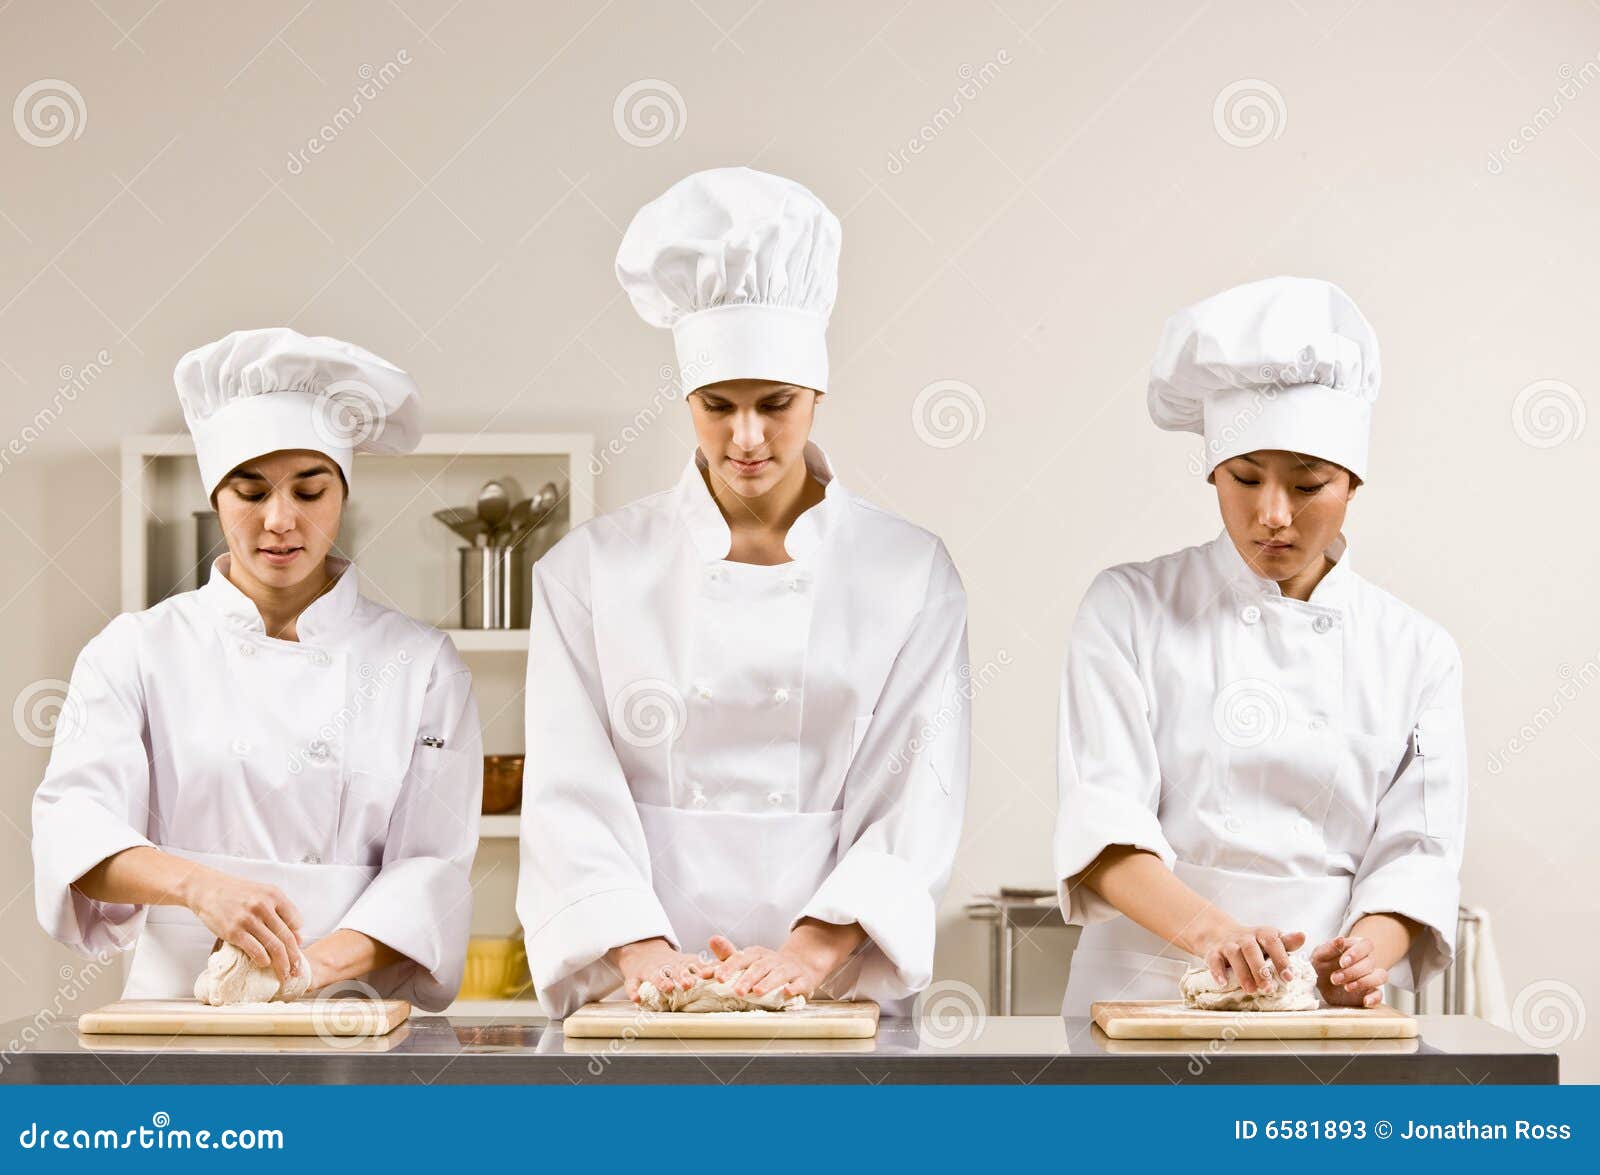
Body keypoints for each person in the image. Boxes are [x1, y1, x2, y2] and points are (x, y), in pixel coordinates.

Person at [518, 167, 970, 1017]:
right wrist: (640, 946)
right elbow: (567, 789)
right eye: (718, 405)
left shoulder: (907, 570)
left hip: (833, 988)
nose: (748, 436)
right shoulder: (590, 571)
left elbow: (921, 787)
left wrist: (812, 950)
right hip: (637, 993)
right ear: (687, 395)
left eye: (777, 403)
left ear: (818, 392)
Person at [32, 328, 483, 1009]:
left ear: (343, 494)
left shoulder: (419, 665)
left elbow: (432, 868)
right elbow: (76, 822)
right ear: (216, 497)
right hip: (174, 1011)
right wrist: (200, 886)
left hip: (343, 1010)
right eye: (250, 491)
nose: (280, 520)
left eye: (310, 490)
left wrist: (303, 966)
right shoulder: (136, 648)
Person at [1054, 277, 1467, 1016]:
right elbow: (1103, 820)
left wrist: (1367, 951)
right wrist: (1218, 935)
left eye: (1308, 483)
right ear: (1214, 469)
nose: (1272, 515)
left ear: (1352, 481)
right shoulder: (1130, 606)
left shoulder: (1416, 650)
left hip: (1318, 1003)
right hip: (1144, 997)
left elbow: (1417, 855)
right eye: (1245, 478)